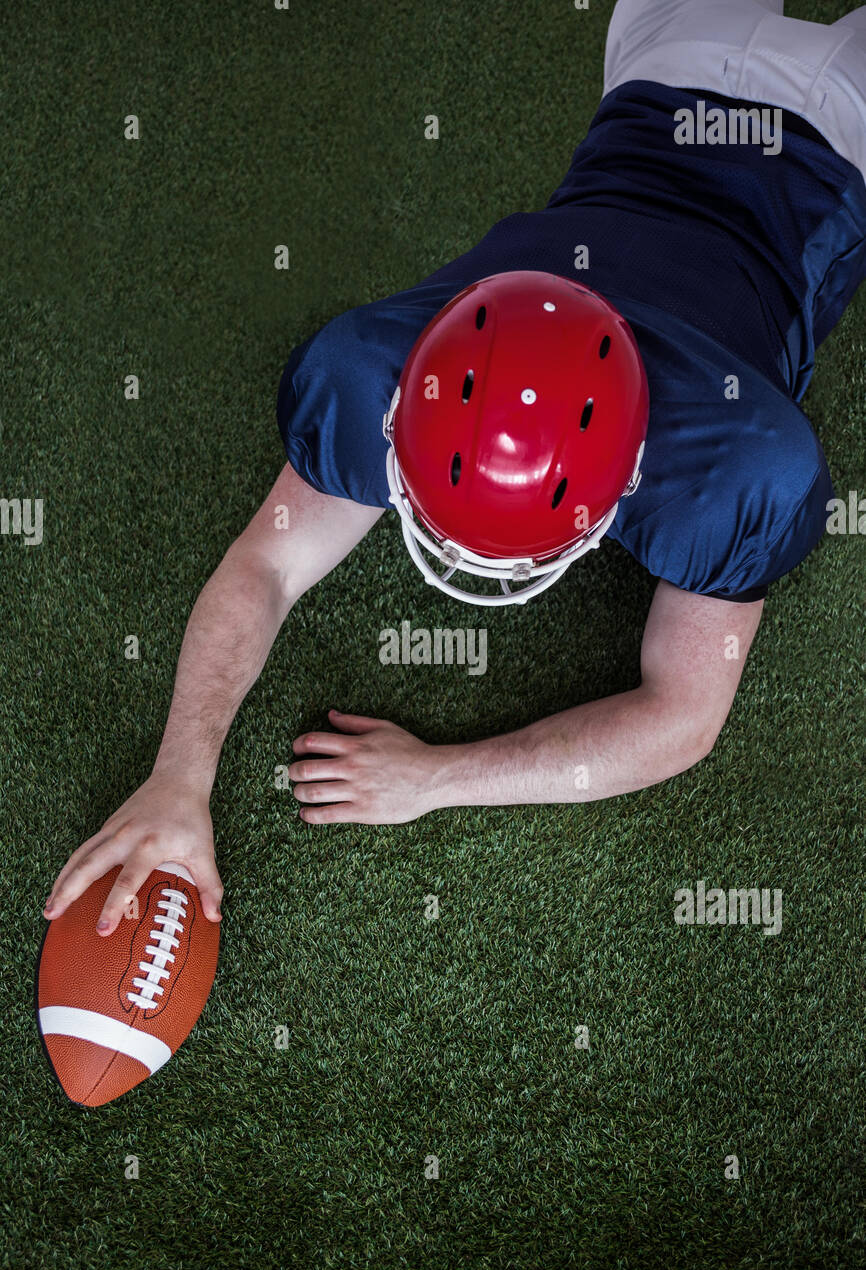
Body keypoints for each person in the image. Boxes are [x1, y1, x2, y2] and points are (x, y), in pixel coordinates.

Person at [44, 0, 866, 937]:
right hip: (672, 69)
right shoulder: (384, 376)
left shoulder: (736, 471)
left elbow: (682, 720)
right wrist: (175, 778)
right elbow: (262, 571)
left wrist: (438, 779)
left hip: (817, 123)